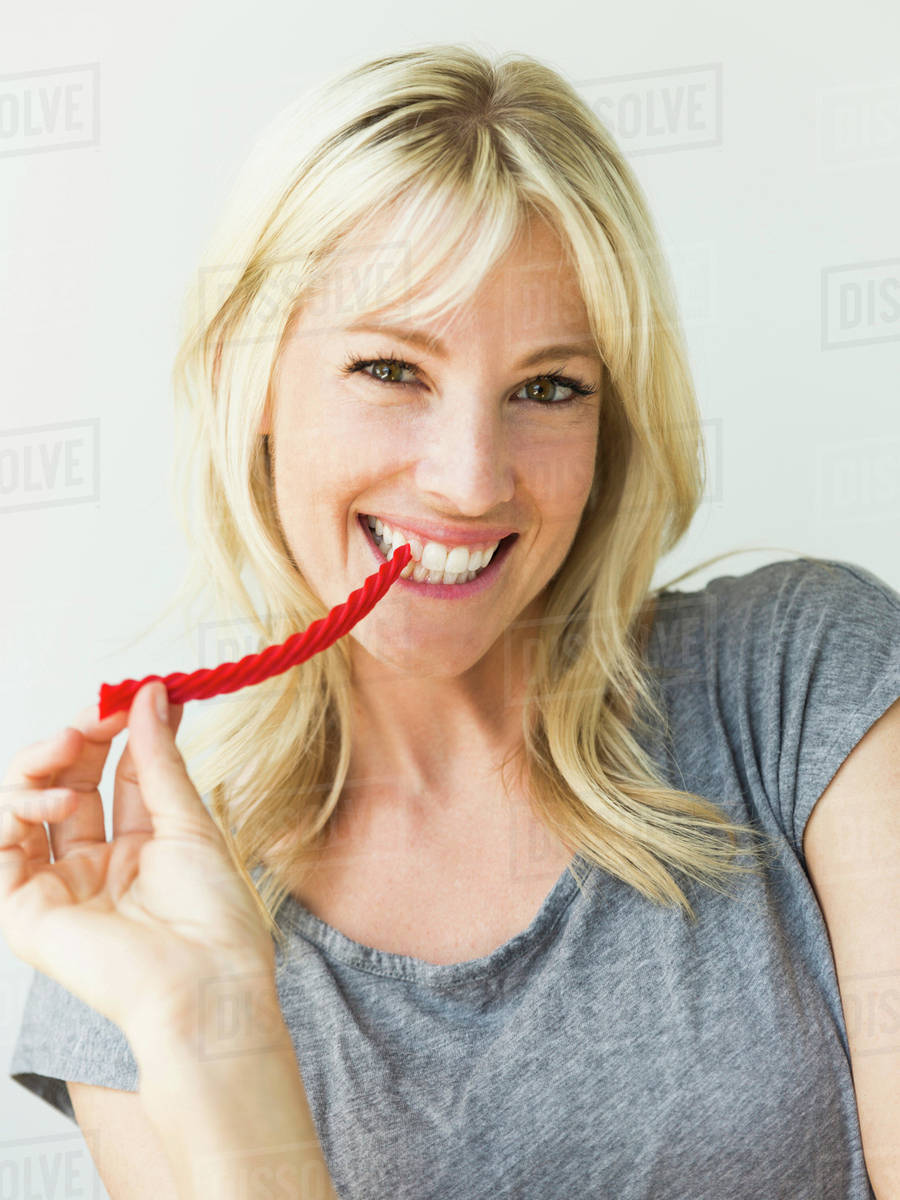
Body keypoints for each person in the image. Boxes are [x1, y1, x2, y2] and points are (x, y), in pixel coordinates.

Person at [3, 43, 899, 1200]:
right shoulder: (133, 921)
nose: (473, 482)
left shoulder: (806, 685)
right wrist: (213, 1024)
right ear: (253, 377)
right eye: (391, 369)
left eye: (548, 388)